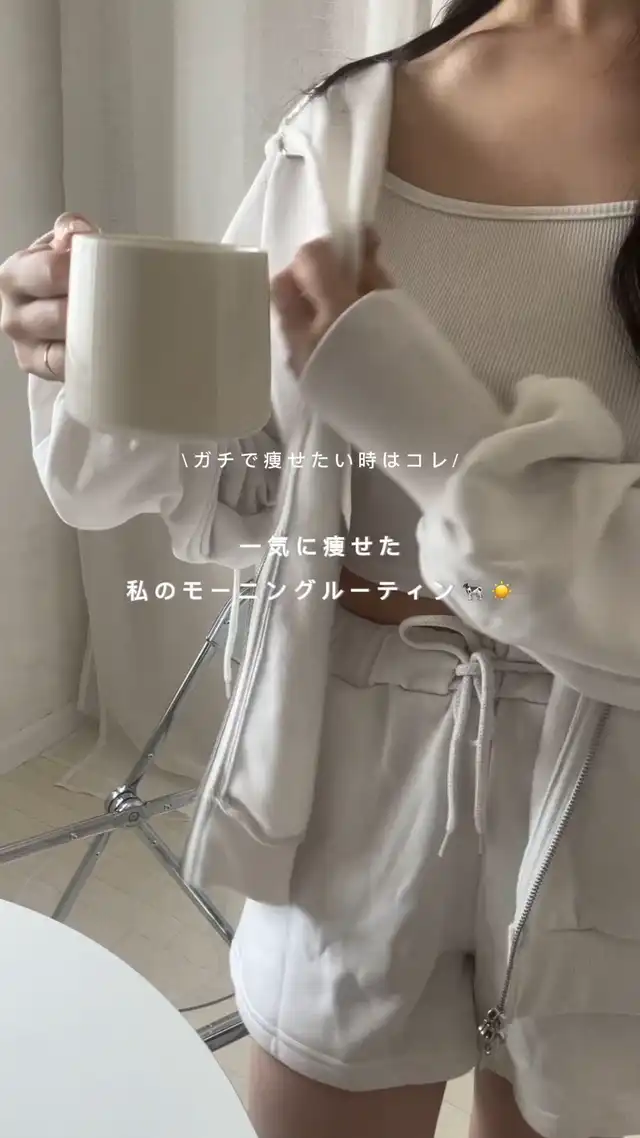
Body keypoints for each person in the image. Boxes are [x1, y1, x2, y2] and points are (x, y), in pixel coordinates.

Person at [2, 0, 640, 1134]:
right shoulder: (351, 119)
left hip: (611, 790)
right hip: (351, 762)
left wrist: (435, 430)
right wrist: (87, 352)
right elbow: (259, 486)